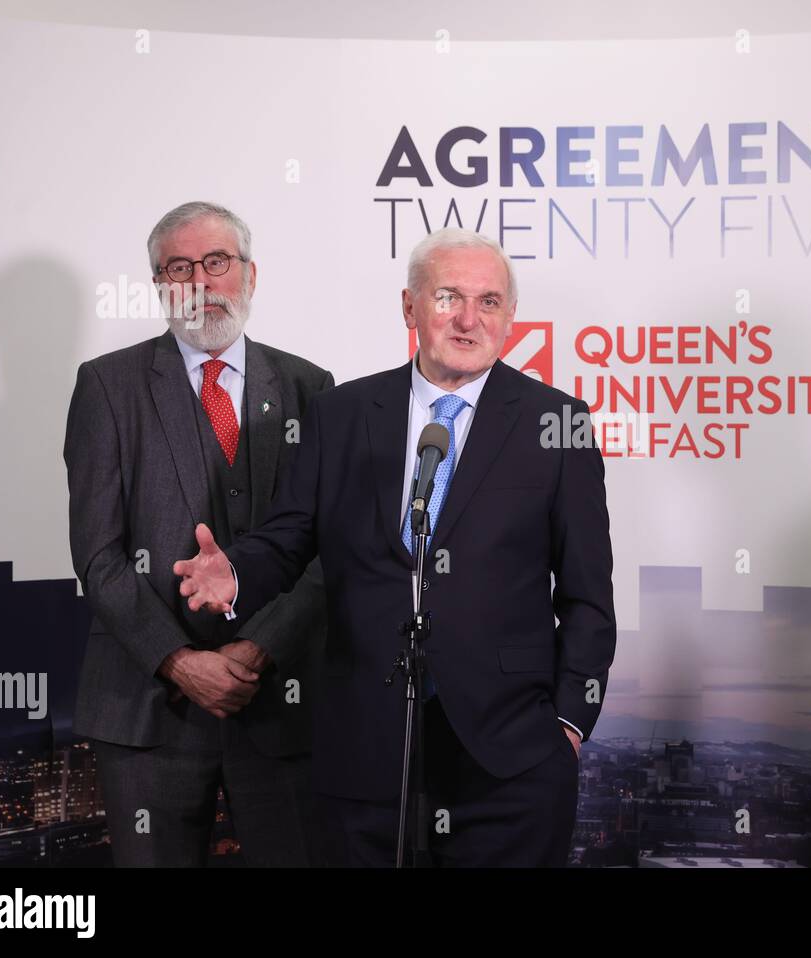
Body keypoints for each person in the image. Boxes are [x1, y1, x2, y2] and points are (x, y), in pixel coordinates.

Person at [174, 227, 616, 866]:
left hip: (511, 754)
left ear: (511, 317)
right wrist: (235, 574)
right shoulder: (341, 413)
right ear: (410, 308)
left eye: (489, 302)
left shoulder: (560, 422)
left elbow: (587, 594)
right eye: (448, 298)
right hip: (364, 745)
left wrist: (569, 725)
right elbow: (290, 537)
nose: (469, 319)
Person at [64, 201, 332, 865]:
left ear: (250, 274)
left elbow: (329, 550)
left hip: (280, 703)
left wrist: (253, 652)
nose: (200, 282)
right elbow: (99, 558)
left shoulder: (311, 388)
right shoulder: (107, 387)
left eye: (216, 262)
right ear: (158, 285)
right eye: (178, 268)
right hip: (145, 708)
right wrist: (183, 664)